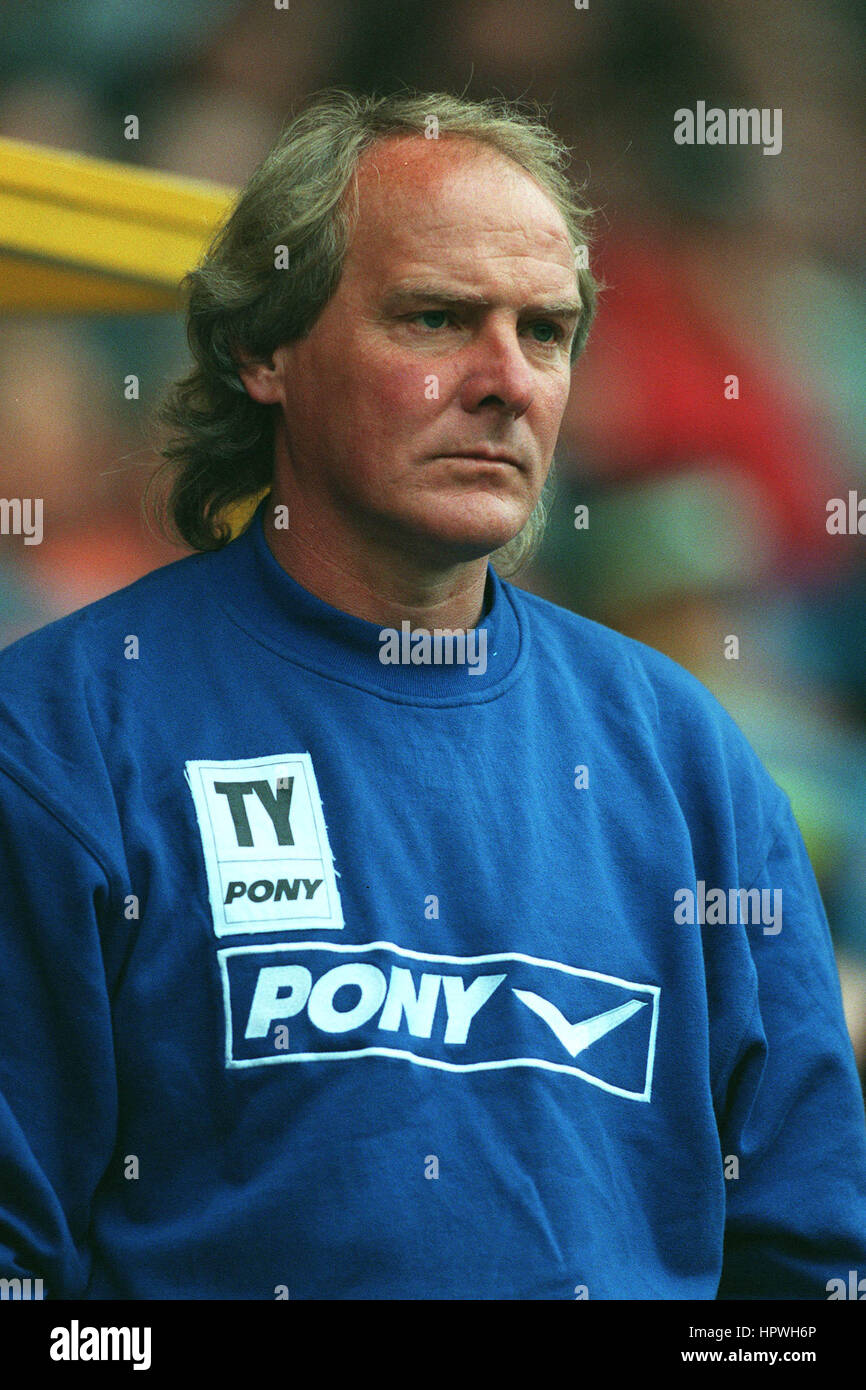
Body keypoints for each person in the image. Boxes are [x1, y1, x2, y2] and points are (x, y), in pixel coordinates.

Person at [0, 88, 864, 1302]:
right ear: (264, 350)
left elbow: (804, 1265)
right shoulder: (58, 731)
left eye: (546, 333)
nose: (506, 380)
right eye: (436, 319)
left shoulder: (683, 757)